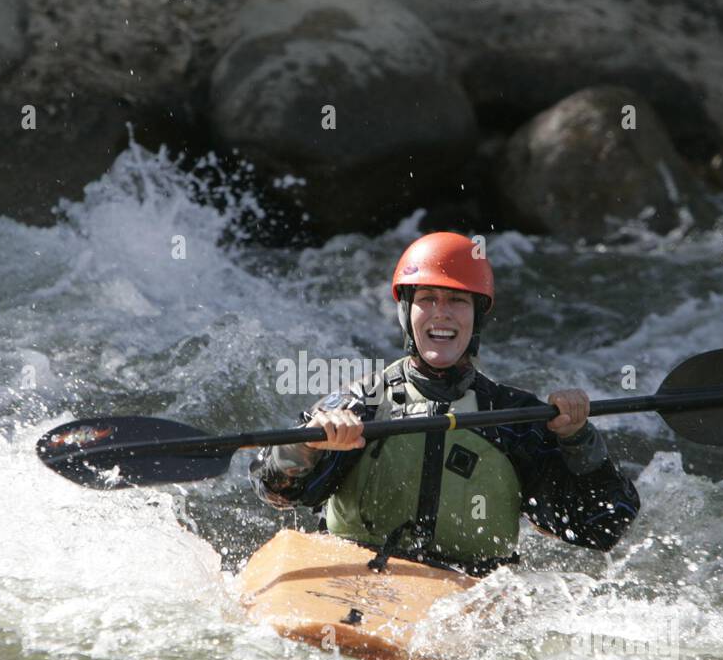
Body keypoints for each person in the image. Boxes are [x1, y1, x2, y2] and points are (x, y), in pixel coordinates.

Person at [250, 232, 640, 575]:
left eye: (456, 300)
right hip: (356, 570)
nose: (441, 313)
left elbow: (602, 526)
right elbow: (276, 492)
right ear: (406, 312)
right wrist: (305, 445)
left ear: (477, 317)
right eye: (428, 299)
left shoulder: (512, 418)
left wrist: (579, 439)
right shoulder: (362, 404)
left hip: (469, 585)